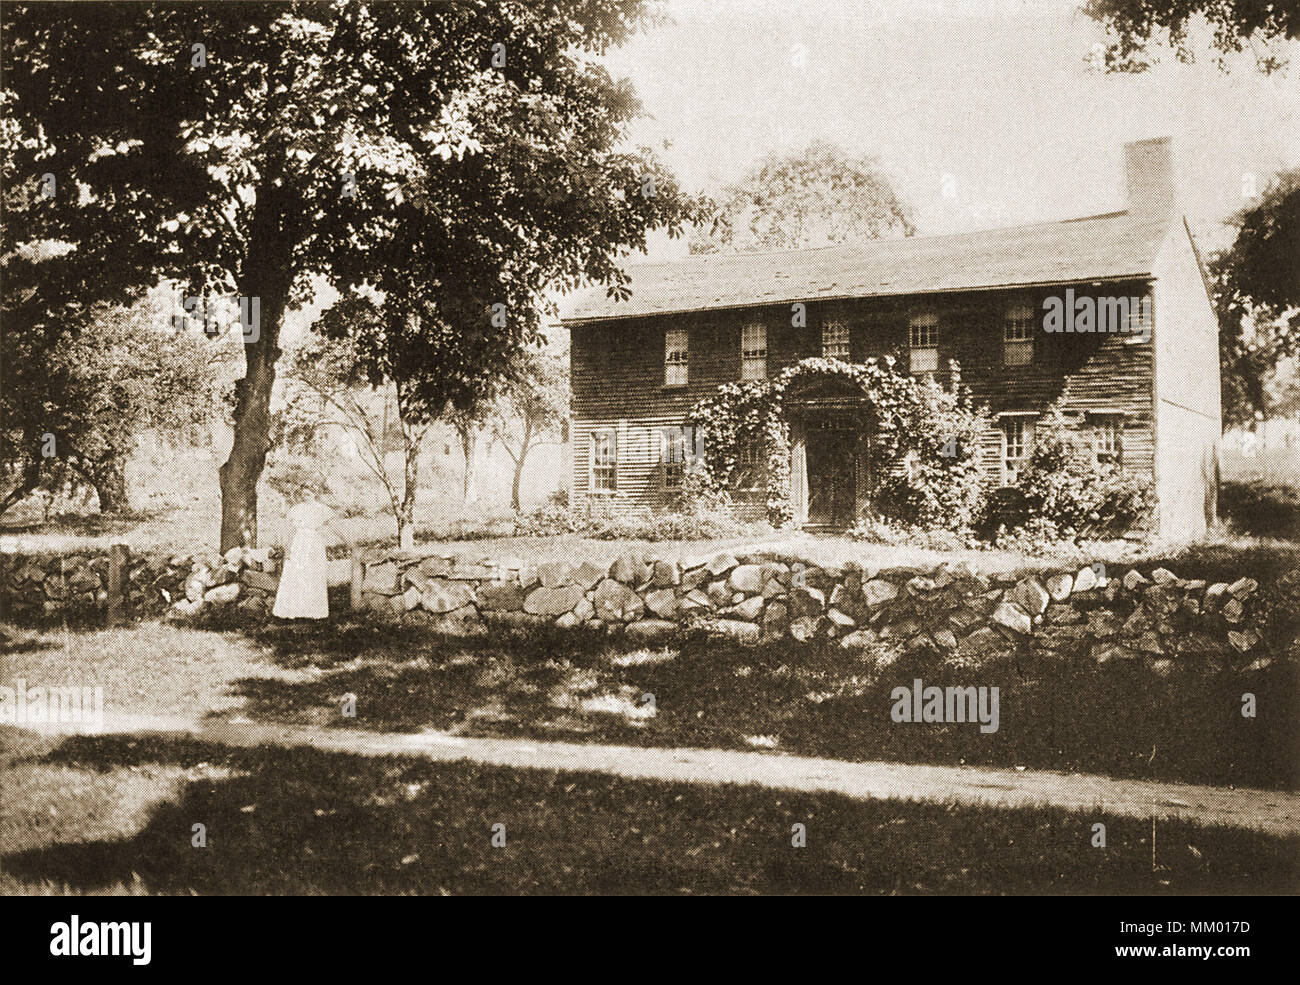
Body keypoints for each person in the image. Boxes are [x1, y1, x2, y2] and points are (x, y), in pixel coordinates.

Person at [272, 493, 343, 620]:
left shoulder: (322, 508)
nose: (306, 496)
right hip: (299, 542)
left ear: (315, 494)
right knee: (297, 573)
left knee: (313, 573)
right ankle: (293, 609)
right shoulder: (296, 509)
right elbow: (289, 530)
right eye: (303, 494)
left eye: (309, 493)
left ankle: (314, 610)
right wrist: (287, 548)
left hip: (314, 543)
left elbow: (332, 526)